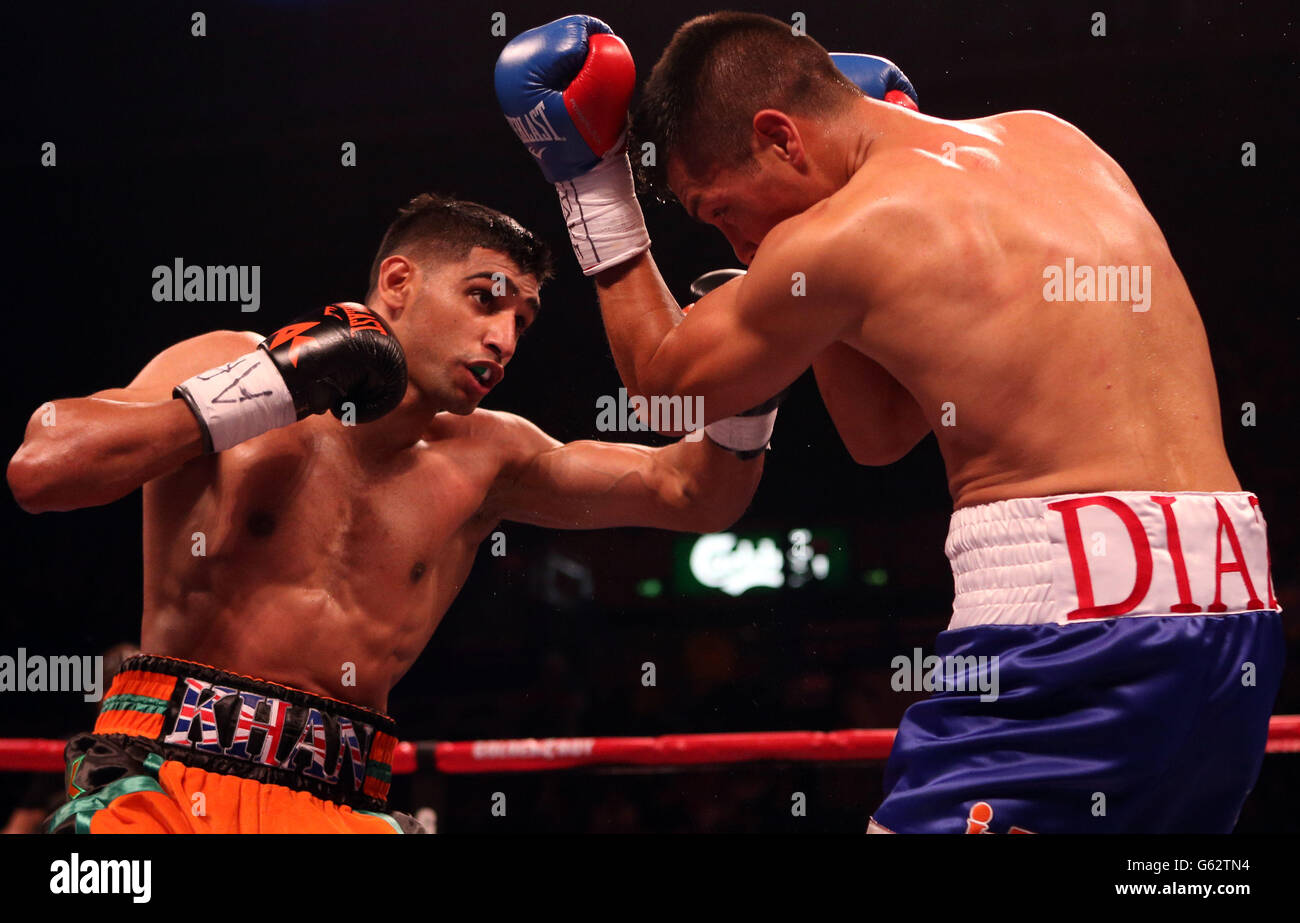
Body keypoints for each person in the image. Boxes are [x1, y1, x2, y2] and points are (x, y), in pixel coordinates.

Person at [496, 12, 1282, 833]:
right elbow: (881, 435)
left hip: (1072, 625)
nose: (738, 239)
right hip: (1234, 605)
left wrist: (590, 183)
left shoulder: (842, 235)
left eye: (721, 208)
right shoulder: (1055, 138)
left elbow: (666, 385)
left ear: (781, 138)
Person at [7, 192, 768, 833]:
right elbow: (44, 468)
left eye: (522, 323)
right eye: (484, 299)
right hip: (162, 784)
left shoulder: (490, 457)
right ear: (398, 282)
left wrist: (753, 373)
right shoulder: (228, 361)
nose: (502, 338)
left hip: (340, 801)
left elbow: (696, 493)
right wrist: (271, 386)